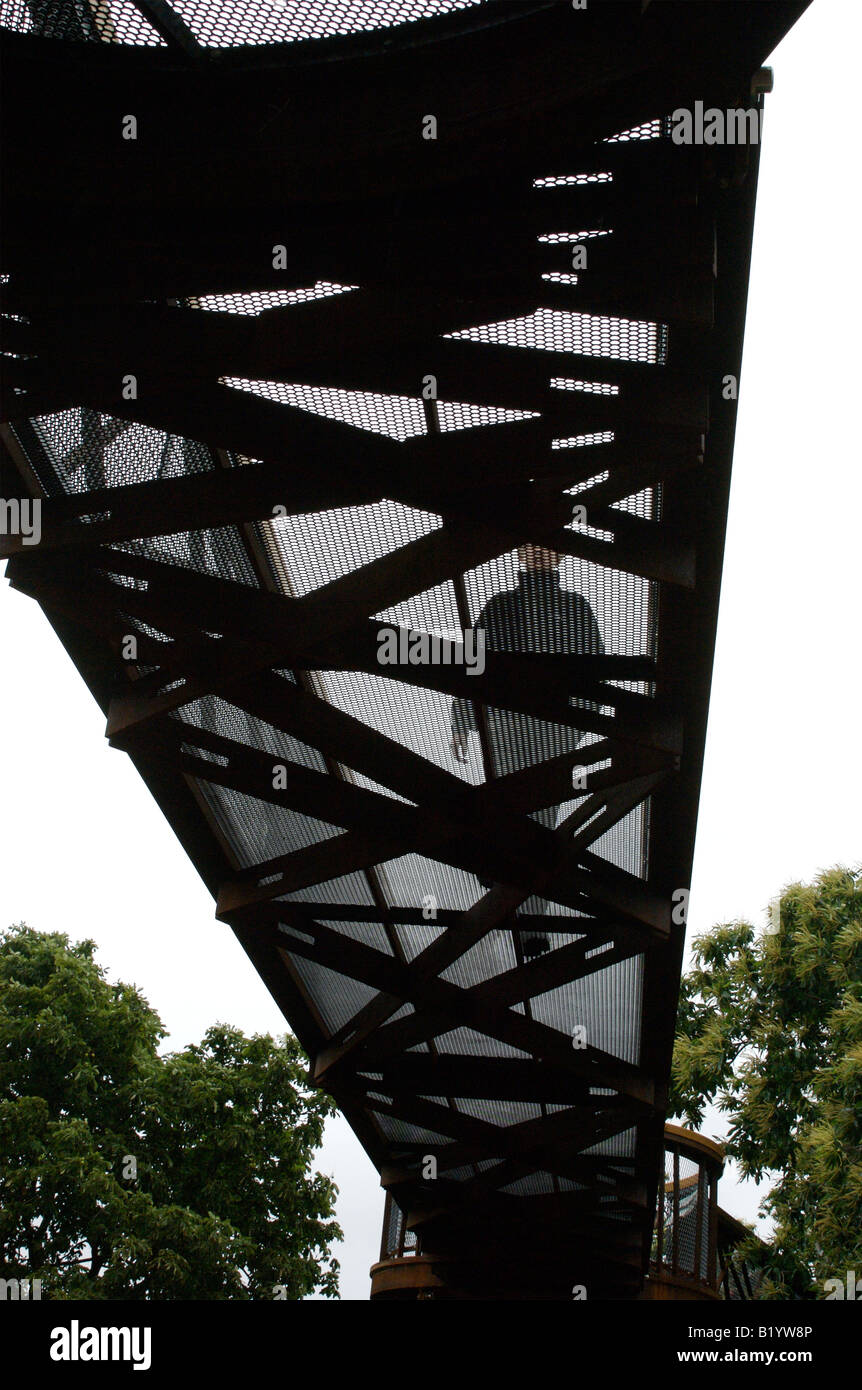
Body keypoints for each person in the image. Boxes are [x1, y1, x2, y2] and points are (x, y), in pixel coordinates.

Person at [450, 544, 604, 958]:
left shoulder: (573, 608)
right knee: (520, 813)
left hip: (542, 730)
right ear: (521, 557)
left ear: (558, 558)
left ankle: (524, 914)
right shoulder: (502, 606)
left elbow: (595, 671)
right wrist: (463, 720)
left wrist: (582, 722)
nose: (538, 557)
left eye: (546, 551)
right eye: (531, 550)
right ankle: (522, 912)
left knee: (533, 816)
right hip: (516, 729)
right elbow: (473, 660)